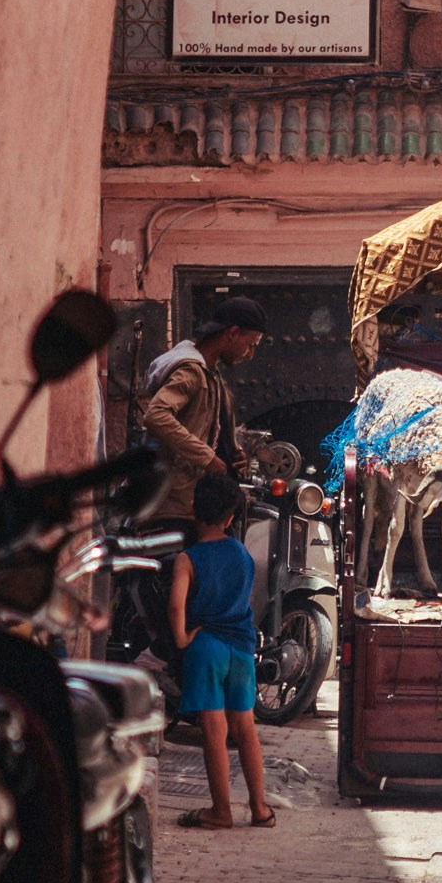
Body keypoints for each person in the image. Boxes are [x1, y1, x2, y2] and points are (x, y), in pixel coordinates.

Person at [168, 467, 275, 831]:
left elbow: (176, 606)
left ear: (194, 507)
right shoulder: (243, 555)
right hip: (241, 647)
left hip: (206, 647)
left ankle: (221, 811)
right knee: (245, 729)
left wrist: (182, 638)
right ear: (231, 518)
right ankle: (260, 808)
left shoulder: (188, 559)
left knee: (214, 732)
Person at [140, 295, 266, 523]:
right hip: (174, 505)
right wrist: (209, 459)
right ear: (232, 333)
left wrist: (233, 452)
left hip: (192, 505)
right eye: (251, 345)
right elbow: (156, 416)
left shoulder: (211, 374)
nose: (250, 354)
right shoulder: (191, 372)